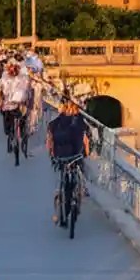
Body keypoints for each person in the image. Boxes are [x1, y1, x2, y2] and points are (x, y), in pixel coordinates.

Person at [47, 97, 91, 226]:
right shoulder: (80, 122)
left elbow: (50, 141)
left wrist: (52, 155)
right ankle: (80, 193)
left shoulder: (56, 123)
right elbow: (86, 142)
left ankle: (60, 211)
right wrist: (86, 154)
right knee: (77, 177)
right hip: (75, 156)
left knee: (62, 183)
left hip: (61, 156)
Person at [0, 59, 31, 154]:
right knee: (7, 124)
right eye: (11, 69)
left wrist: (26, 100)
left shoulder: (23, 78)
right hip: (7, 104)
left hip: (20, 104)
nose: (13, 71)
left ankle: (23, 134)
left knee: (23, 119)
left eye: (15, 69)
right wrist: (0, 102)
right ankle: (10, 135)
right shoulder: (3, 79)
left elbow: (27, 91)